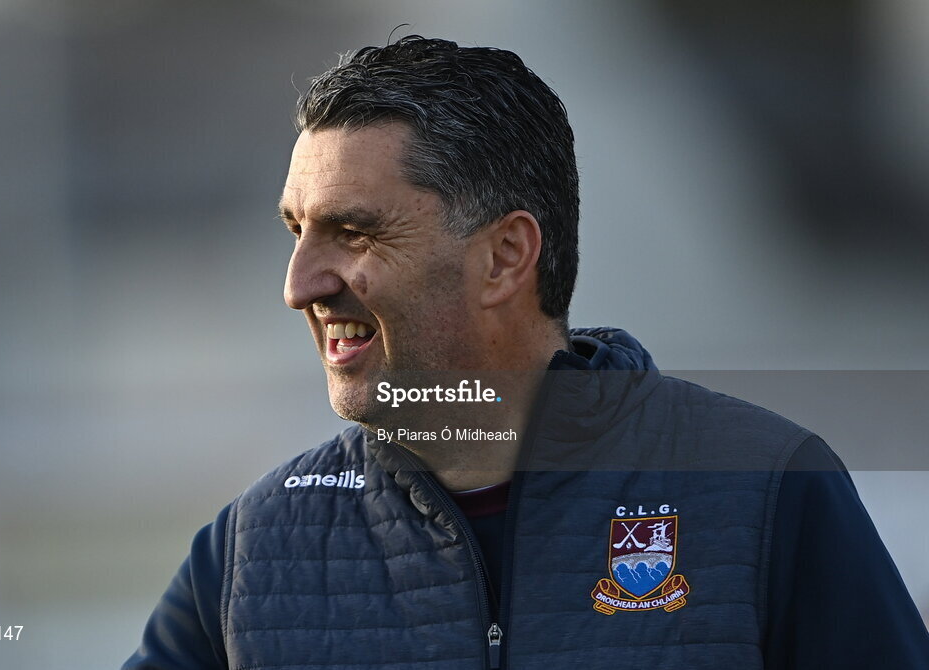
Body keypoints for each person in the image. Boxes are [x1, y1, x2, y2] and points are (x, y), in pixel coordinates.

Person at [123, 36, 929, 669]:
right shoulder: (255, 549)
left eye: (355, 233)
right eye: (298, 233)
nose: (300, 285)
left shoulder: (768, 491)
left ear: (506, 257)